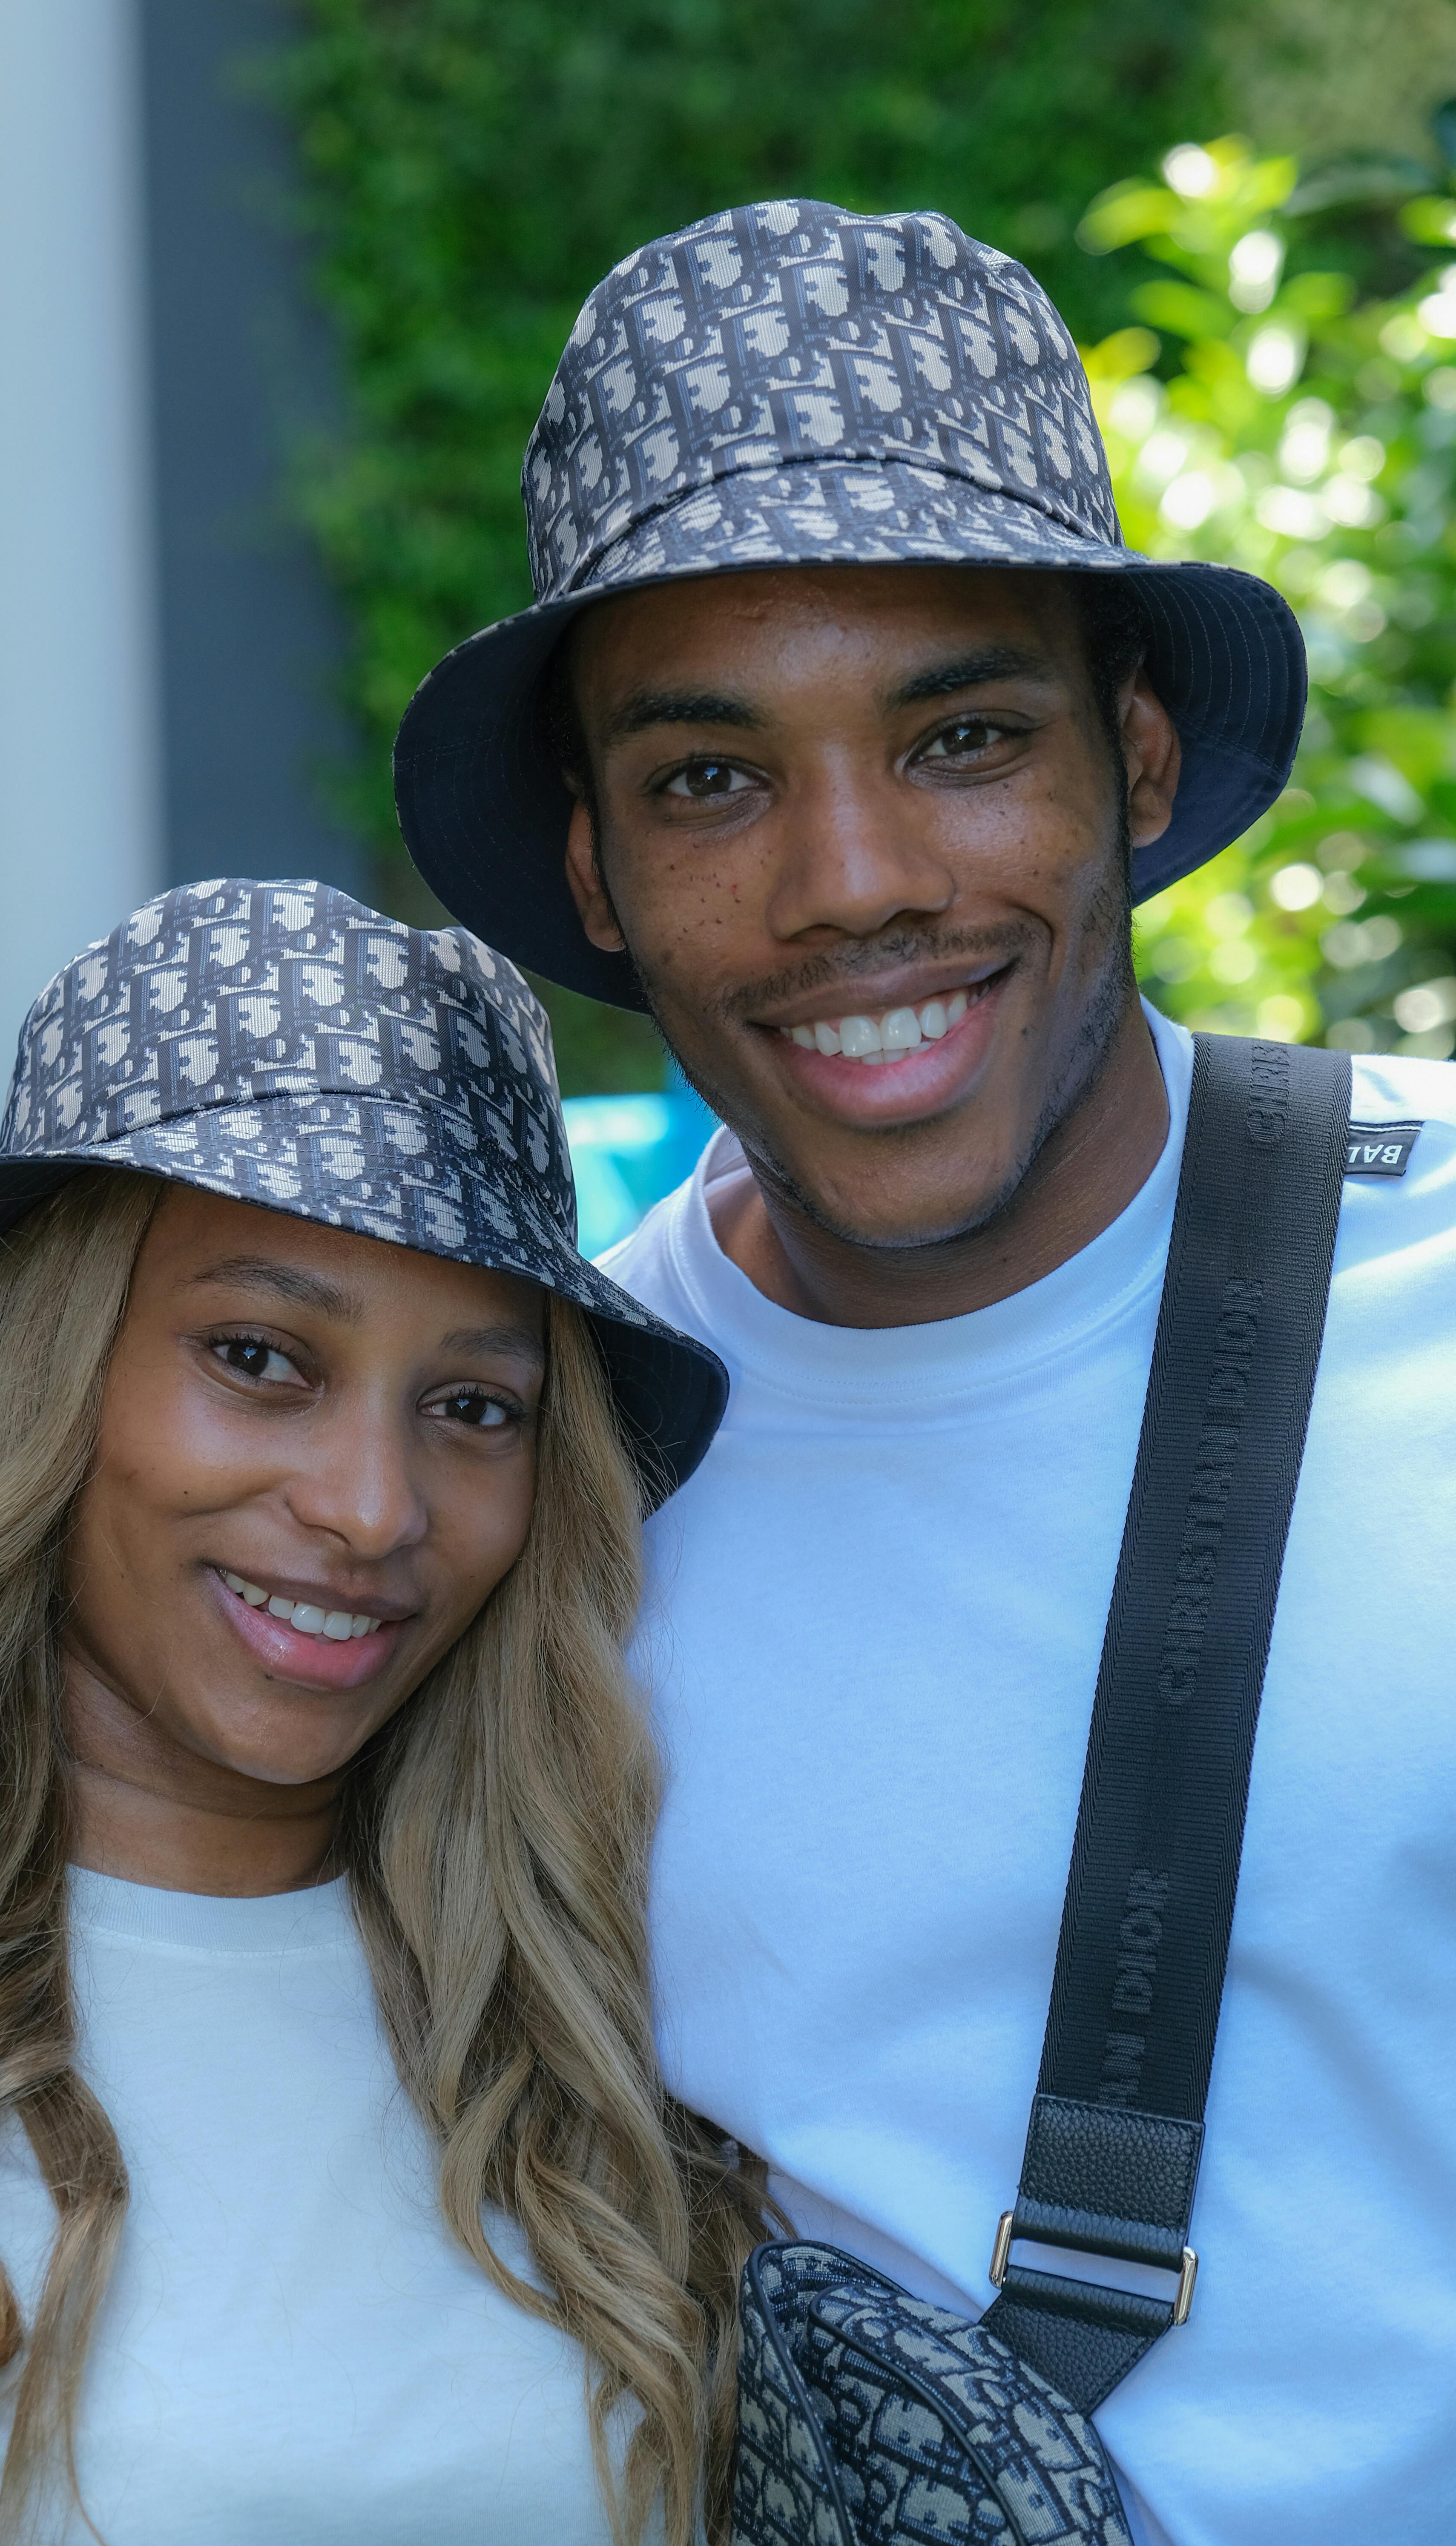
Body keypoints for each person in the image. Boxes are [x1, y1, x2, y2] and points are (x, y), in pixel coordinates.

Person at [393, 202, 1456, 2545]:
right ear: (590, 868)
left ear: (1140, 762)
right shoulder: (516, 1485)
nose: (852, 879)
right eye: (708, 781)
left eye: (962, 737)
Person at [0, 879, 759, 2546]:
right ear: (46, 1375)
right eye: (260, 1356)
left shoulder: (573, 1986)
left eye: (474, 1405)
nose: (371, 1506)